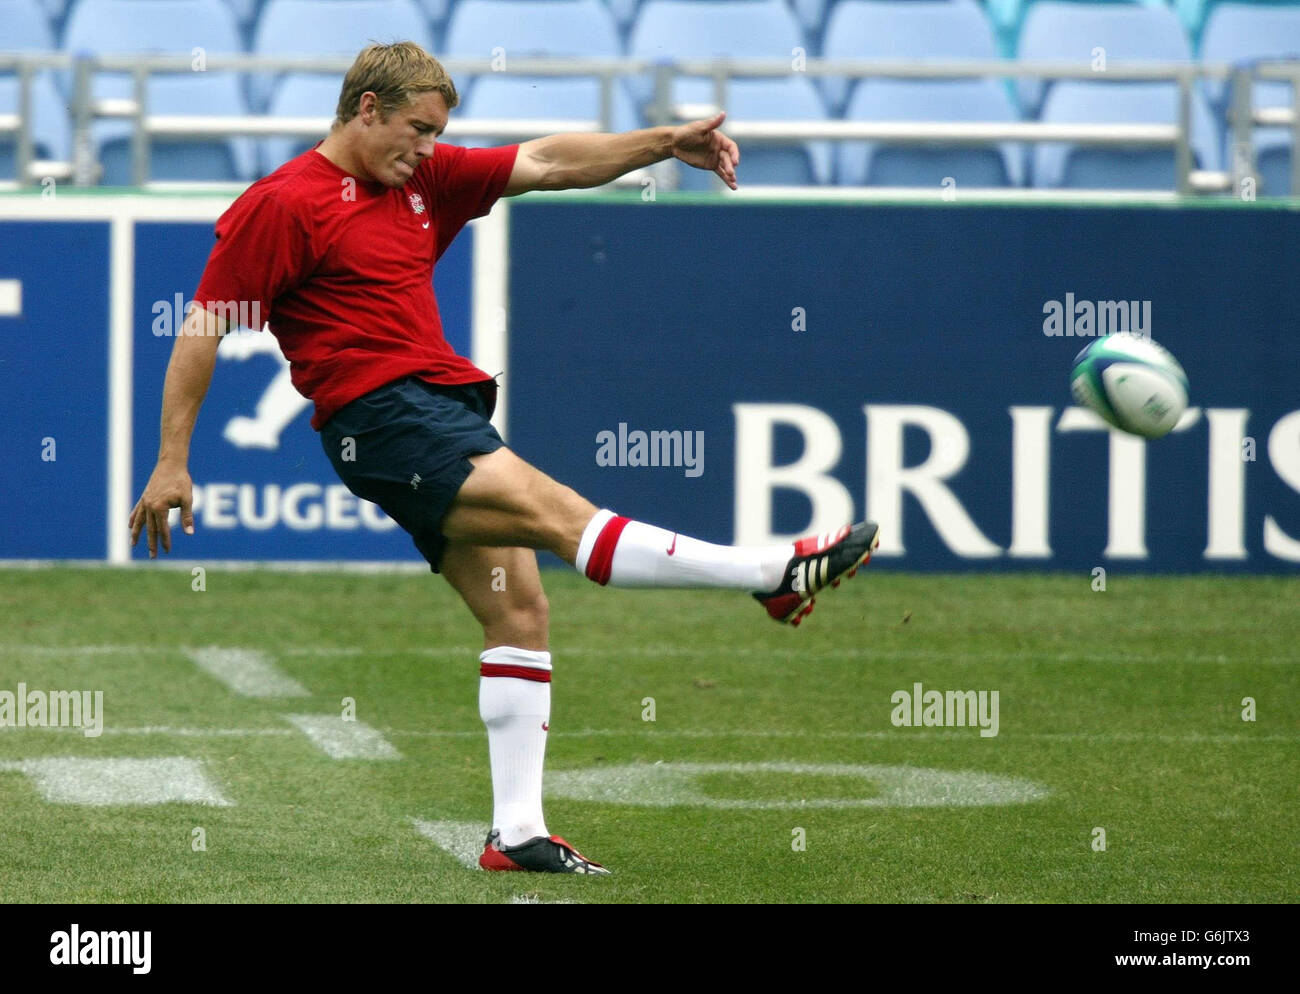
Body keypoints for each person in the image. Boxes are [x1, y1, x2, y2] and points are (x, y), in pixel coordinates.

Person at [128, 42, 878, 876]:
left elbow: (551, 160)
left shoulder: (422, 179)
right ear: (366, 109)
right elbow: (204, 325)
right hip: (382, 420)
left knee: (517, 608)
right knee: (565, 520)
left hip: (433, 411)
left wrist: (663, 143)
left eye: (438, 133)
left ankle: (516, 834)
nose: (427, 148)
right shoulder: (282, 204)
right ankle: (769, 573)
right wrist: (172, 460)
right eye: (417, 129)